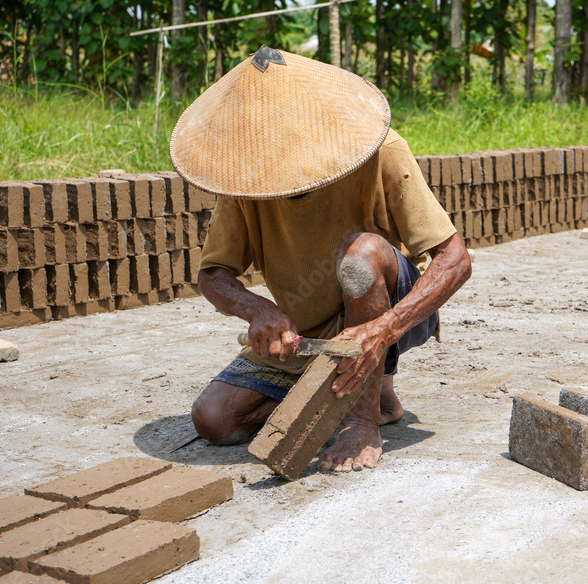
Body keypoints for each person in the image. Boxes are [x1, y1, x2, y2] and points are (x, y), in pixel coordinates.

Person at [170, 46, 471, 473]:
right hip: (305, 329)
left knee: (360, 255)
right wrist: (257, 310)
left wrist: (383, 330)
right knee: (216, 420)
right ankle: (363, 392)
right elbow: (212, 275)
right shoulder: (245, 177)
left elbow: (454, 260)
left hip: (389, 307)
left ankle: (362, 418)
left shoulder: (380, 149)